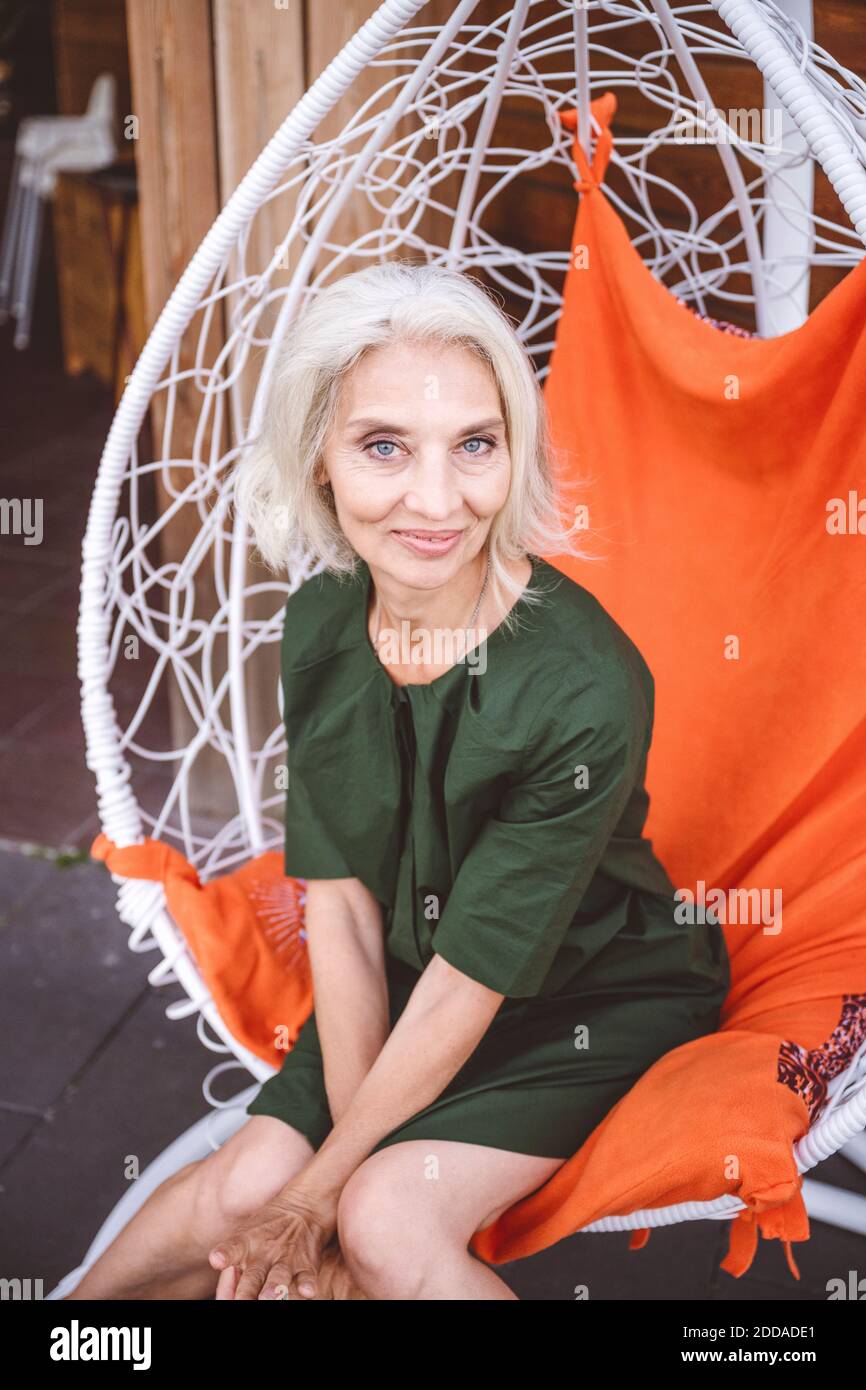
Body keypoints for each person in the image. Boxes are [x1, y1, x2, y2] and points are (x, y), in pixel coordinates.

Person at [66, 261, 730, 1301]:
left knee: (384, 1216)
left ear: (514, 450)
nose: (435, 499)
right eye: (383, 445)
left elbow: (474, 978)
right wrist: (303, 1188)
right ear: (320, 460)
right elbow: (337, 910)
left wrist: (330, 1194)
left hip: (587, 992)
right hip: (410, 975)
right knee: (248, 1182)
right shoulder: (325, 621)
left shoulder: (587, 688)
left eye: (475, 443)